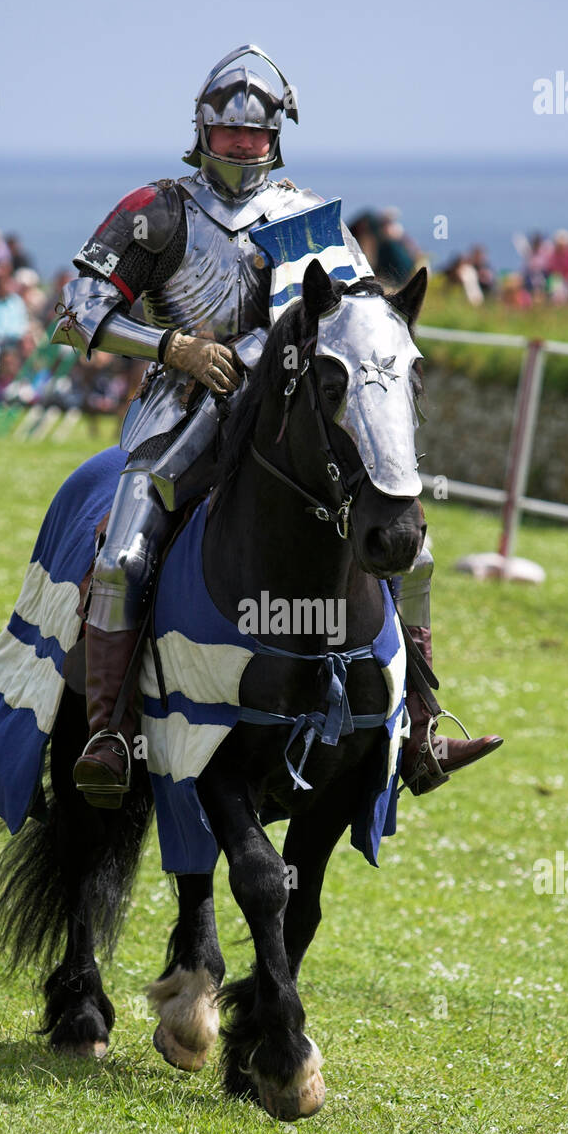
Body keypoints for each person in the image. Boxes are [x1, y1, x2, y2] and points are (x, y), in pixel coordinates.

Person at [51, 44, 501, 807]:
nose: (243, 146)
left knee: (411, 552)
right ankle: (111, 733)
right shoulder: (156, 210)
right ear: (203, 130)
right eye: (229, 132)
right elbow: (77, 316)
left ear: (277, 139)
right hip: (181, 412)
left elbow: (357, 319)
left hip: (290, 415)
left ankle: (422, 726)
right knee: (125, 557)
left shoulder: (303, 219)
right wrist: (174, 346)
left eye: (258, 135)